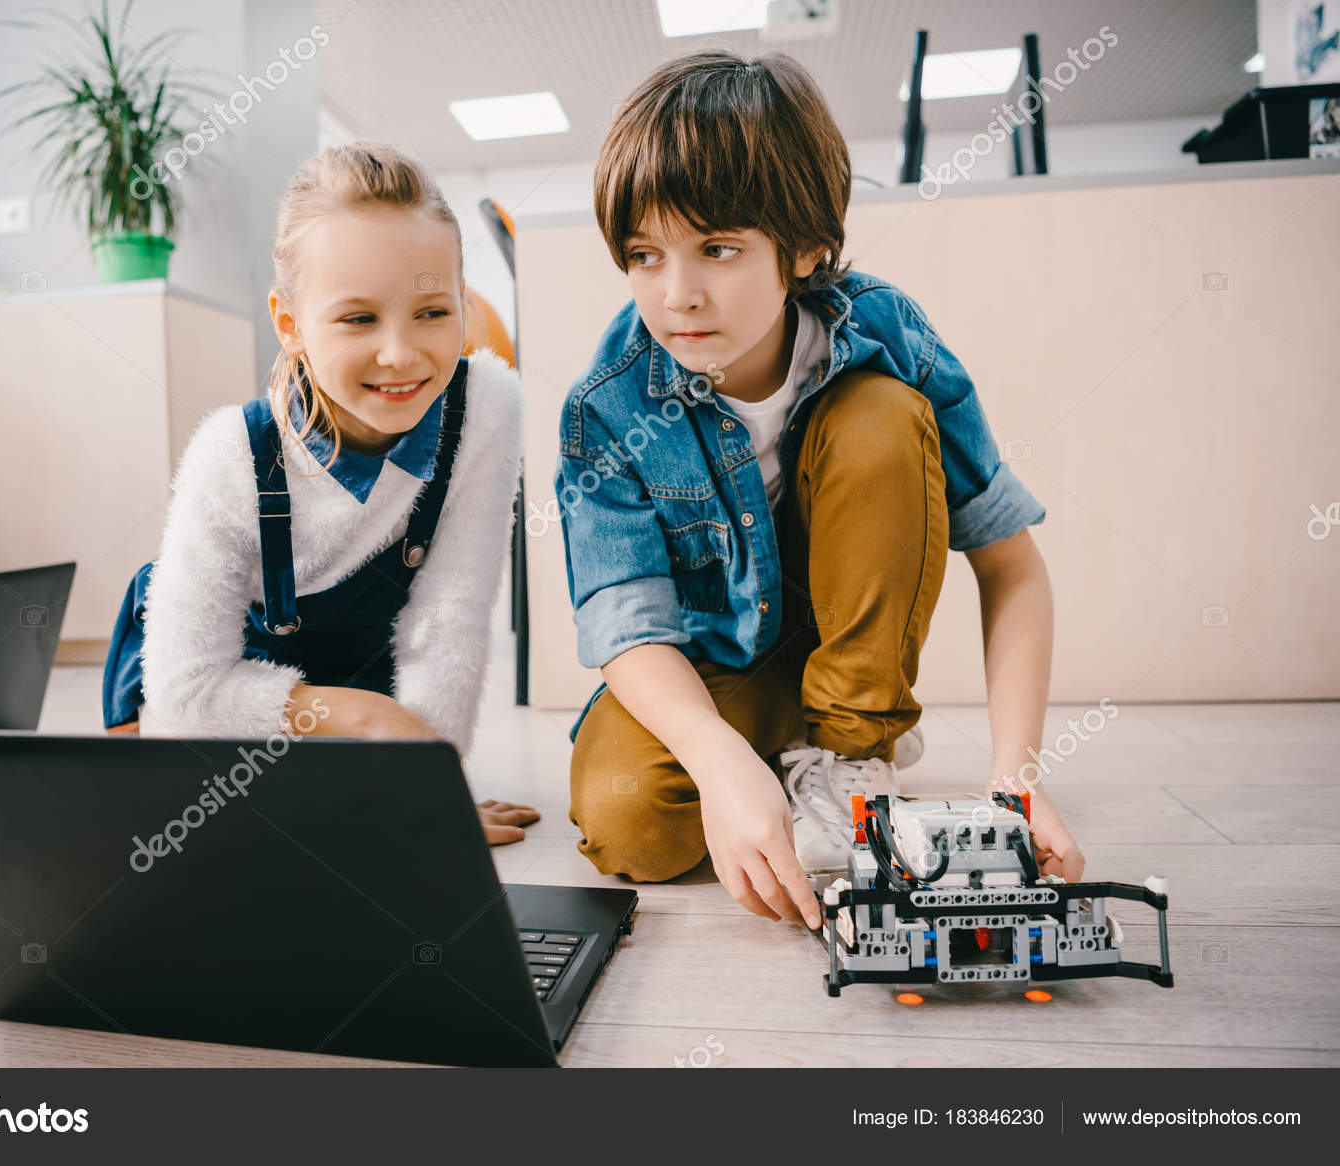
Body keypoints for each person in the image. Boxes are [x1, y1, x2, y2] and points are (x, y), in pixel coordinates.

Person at [557, 51, 1082, 926]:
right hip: (721, 657)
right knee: (633, 825)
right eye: (645, 255)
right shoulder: (606, 406)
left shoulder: (885, 329)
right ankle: (788, 738)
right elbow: (628, 624)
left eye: (718, 249)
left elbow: (1012, 567)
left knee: (878, 417)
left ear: (805, 248)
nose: (677, 294)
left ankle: (849, 739)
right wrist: (719, 763)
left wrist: (1015, 778)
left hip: (854, 618)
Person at [105, 141, 537, 845]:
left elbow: (449, 622)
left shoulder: (486, 405)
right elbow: (186, 701)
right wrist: (378, 722)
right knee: (207, 833)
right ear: (289, 323)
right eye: (358, 319)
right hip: (209, 682)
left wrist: (430, 787)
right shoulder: (231, 454)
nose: (401, 354)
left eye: (432, 312)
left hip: (350, 668)